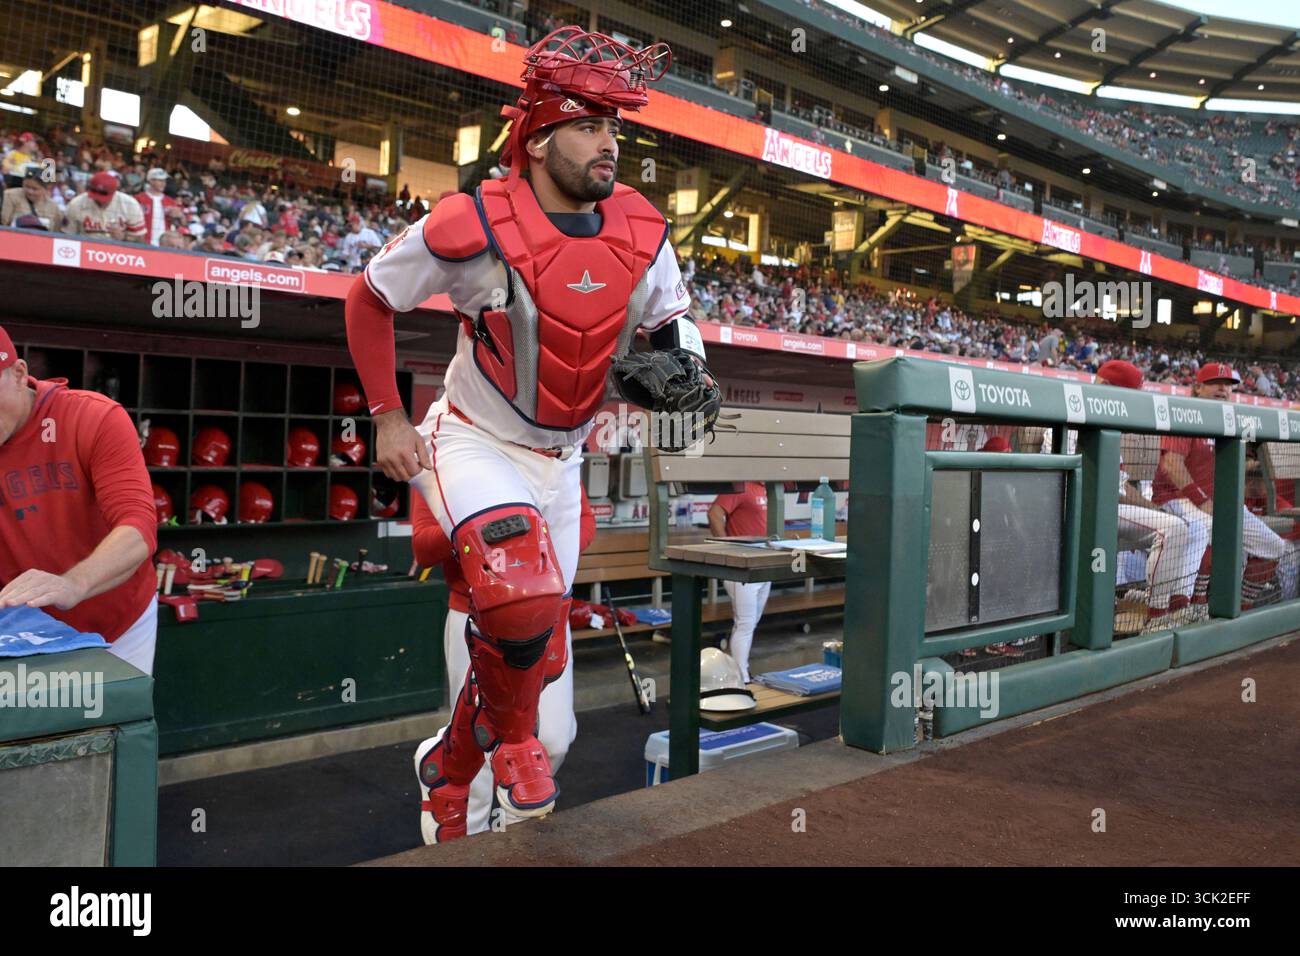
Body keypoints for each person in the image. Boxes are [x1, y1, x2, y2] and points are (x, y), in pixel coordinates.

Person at [345, 26, 711, 843]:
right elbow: (368, 299)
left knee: (554, 732)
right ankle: (474, 790)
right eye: (589, 126)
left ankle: (453, 763)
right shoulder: (472, 221)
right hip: (474, 442)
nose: (609, 143)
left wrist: (685, 372)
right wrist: (386, 415)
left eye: (614, 128)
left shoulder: (642, 230)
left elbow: (673, 324)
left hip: (562, 464)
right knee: (514, 587)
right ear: (540, 140)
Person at [410, 476, 595, 840]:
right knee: (481, 752)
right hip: (476, 617)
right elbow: (423, 547)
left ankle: (512, 841)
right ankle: (470, 843)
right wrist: (482, 532)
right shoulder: (450, 445)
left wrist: (537, 540)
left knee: (554, 739)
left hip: (546, 615)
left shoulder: (548, 449)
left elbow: (584, 521)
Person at [0, 325, 159, 673]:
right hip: (20, 630)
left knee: (114, 724)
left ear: (18, 373)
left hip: (119, 620)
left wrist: (74, 582)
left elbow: (138, 526)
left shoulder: (93, 417)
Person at [1152, 363, 1298, 602]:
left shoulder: (1228, 420)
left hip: (1217, 504)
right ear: (1198, 388)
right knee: (1217, 536)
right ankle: (1198, 606)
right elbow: (1171, 465)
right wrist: (1202, 501)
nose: (1223, 389)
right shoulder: (1187, 413)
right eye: (1215, 383)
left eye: (1228, 385)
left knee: (1275, 547)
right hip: (1177, 499)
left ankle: (1242, 604)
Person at [1096, 360, 1208, 625]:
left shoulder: (1105, 418)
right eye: (1132, 393)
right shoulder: (1084, 418)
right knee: (1173, 529)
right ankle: (1157, 615)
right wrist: (1153, 509)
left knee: (1191, 528)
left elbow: (1118, 487)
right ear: (1109, 387)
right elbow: (1111, 491)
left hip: (1106, 504)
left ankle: (1176, 602)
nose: (1134, 403)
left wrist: (1151, 508)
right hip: (1083, 506)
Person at [708, 482, 770, 683]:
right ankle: (742, 677)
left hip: (765, 562)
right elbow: (714, 513)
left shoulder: (769, 487)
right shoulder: (742, 485)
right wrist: (727, 549)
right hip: (742, 566)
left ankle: (736, 672)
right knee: (745, 623)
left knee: (750, 622)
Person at [63, 172, 146, 242]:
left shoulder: (130, 204)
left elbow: (140, 239)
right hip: (85, 251)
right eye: (96, 196)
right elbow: (67, 236)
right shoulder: (76, 204)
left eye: (104, 197)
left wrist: (124, 237)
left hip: (119, 253)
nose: (100, 200)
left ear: (114, 191)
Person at [1, 167, 63, 231]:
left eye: (34, 189)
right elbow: (3, 223)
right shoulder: (10, 196)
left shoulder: (53, 207)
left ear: (45, 189)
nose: (30, 192)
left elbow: (55, 231)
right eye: (27, 187)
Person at [135, 167, 179, 246]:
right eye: (160, 180)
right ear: (151, 181)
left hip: (164, 245)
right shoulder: (139, 198)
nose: (163, 183)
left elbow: (178, 223)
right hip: (143, 243)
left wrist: (178, 216)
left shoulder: (170, 201)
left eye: (164, 181)